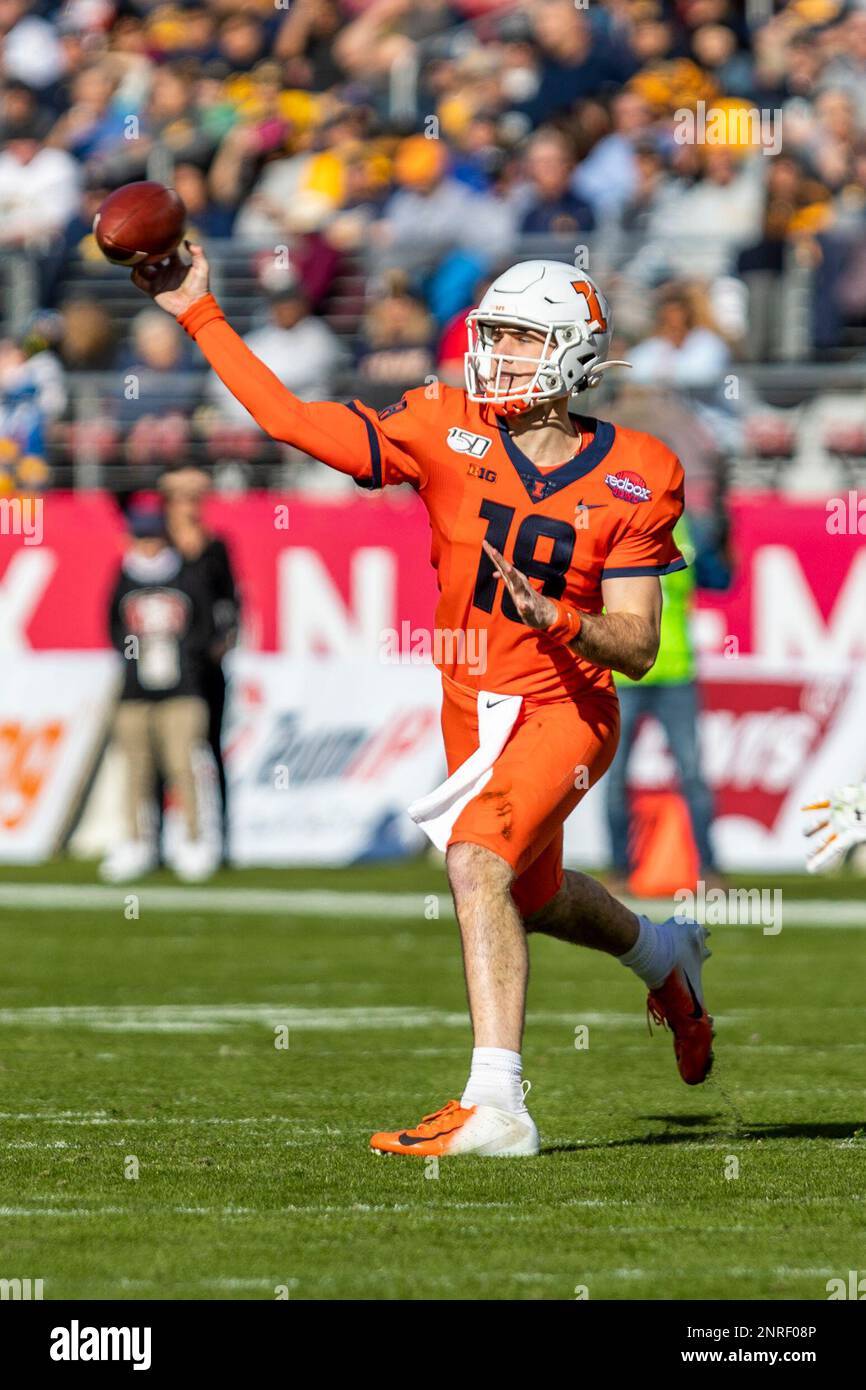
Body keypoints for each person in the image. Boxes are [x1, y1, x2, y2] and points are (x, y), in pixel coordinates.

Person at [131, 246, 714, 1159]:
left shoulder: (638, 470)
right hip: (469, 701)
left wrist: (557, 614)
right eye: (495, 335)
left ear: (571, 355)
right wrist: (199, 312)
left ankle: (498, 1104)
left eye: (521, 338)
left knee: (476, 862)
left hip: (565, 707)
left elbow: (637, 645)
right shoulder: (444, 422)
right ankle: (662, 954)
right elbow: (288, 419)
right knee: (537, 894)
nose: (497, 355)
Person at [102, 507, 221, 885]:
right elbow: (112, 627)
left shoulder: (185, 576)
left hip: (181, 690)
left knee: (182, 766)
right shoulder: (124, 576)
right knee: (134, 771)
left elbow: (205, 628)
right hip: (135, 693)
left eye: (152, 536)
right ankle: (137, 843)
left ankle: (193, 839)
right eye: (141, 536)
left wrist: (183, 658)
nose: (147, 545)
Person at [604, 514, 722, 894]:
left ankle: (710, 868)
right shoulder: (615, 526)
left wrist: (721, 542)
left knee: (692, 774)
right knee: (616, 775)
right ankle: (620, 869)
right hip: (625, 671)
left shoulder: (688, 529)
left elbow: (720, 578)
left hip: (674, 672)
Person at [159, 464, 240, 856]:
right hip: (168, 665)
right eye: (183, 496)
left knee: (211, 747)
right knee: (165, 751)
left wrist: (225, 641)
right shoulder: (158, 545)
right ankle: (158, 839)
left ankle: (220, 839)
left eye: (196, 496)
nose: (191, 504)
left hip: (207, 664)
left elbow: (231, 601)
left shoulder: (215, 546)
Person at [802, 785, 866, 873]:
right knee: (835, 846)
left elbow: (835, 798)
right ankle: (814, 864)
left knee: (834, 847)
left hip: (854, 828)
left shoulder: (857, 791)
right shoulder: (858, 791)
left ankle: (814, 864)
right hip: (856, 828)